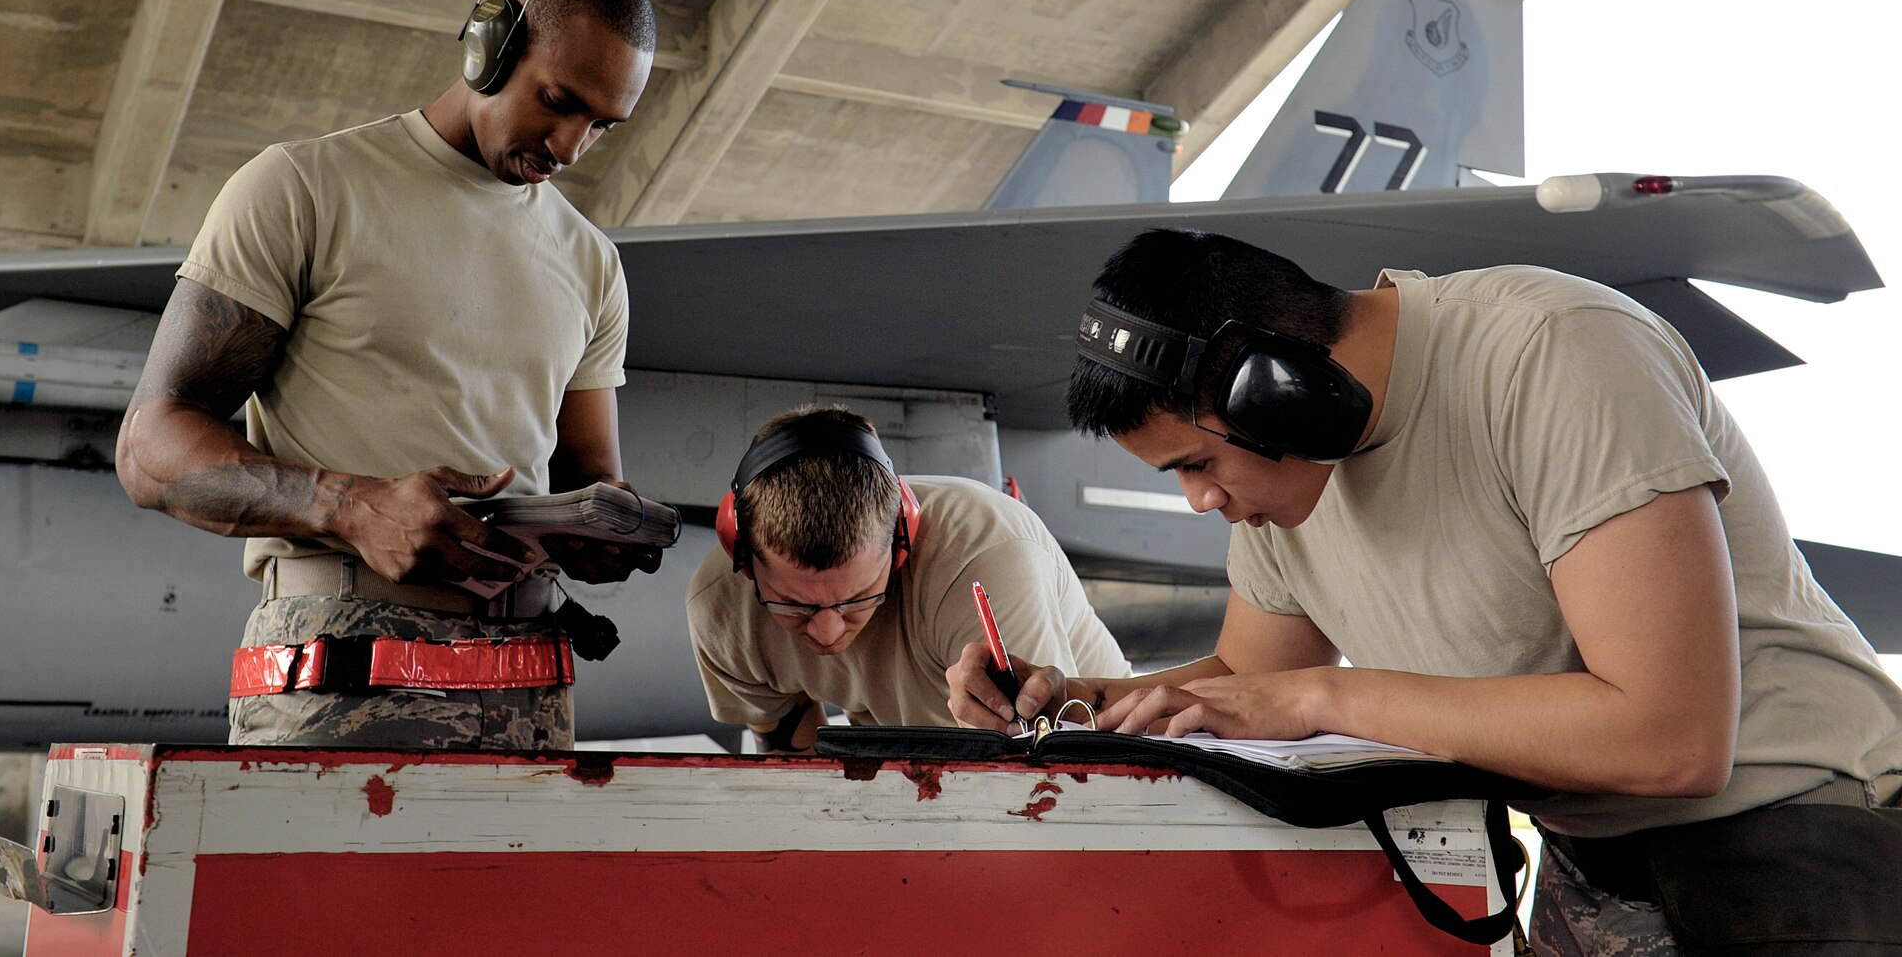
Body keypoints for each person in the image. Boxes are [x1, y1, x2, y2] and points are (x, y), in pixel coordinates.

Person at [947, 227, 1902, 955]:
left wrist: (1329, 696)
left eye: (1197, 463)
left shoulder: (1554, 354)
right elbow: (1245, 679)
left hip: (1805, 830)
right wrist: (1069, 700)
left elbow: (1671, 738)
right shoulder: (1286, 486)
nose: (1201, 500)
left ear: (1279, 391)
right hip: (1594, 859)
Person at [116, 0, 662, 751]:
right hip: (338, 671)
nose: (571, 145)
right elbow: (148, 448)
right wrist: (351, 506)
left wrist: (606, 526)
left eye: (601, 125)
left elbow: (589, 475)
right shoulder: (303, 190)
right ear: (491, 42)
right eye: (557, 100)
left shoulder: (592, 264)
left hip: (529, 687)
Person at [687, 406, 1128, 751]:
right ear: (742, 557)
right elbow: (796, 770)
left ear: (903, 541)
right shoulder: (723, 607)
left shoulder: (982, 559)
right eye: (794, 605)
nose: (826, 632)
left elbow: (1048, 772)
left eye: (857, 598)